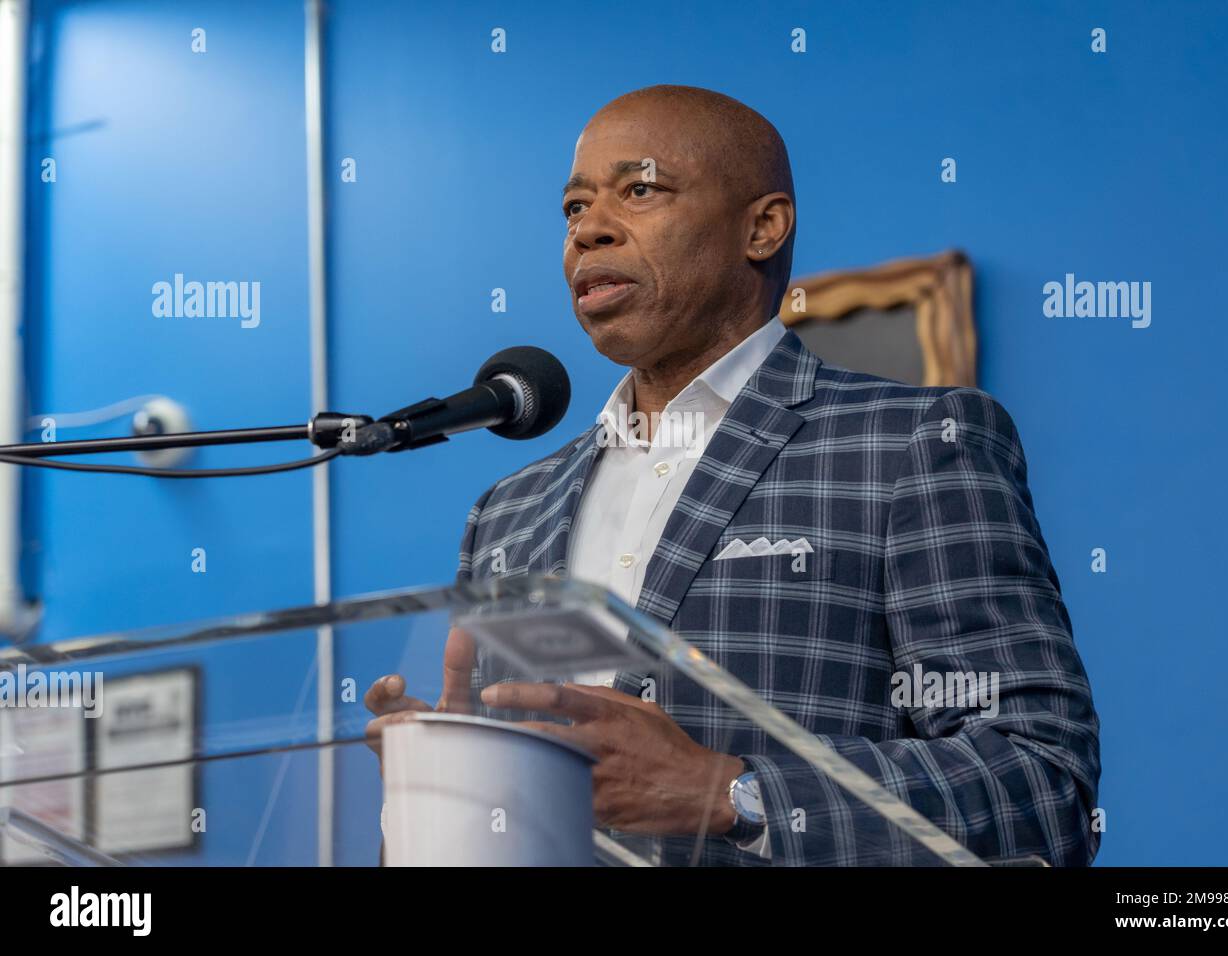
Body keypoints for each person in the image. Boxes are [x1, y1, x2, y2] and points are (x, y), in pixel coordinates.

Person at [366, 85, 1101, 866]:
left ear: (762, 227)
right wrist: (441, 798)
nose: (589, 231)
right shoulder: (507, 512)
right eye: (573, 208)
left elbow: (1041, 783)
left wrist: (729, 793)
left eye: (640, 190)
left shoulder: (916, 443)